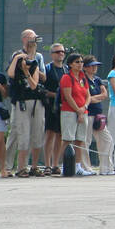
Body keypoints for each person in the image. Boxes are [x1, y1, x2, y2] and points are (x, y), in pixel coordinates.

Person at [6, 30, 47, 177]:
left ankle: (34, 166)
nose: (33, 42)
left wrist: (28, 68)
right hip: (21, 99)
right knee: (20, 134)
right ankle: (17, 167)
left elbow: (39, 81)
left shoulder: (37, 59)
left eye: (35, 40)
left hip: (36, 100)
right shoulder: (17, 55)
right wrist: (18, 59)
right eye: (30, 39)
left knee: (37, 134)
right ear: (24, 39)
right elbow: (10, 74)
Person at [57, 53, 94, 176]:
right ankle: (62, 165)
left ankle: (77, 166)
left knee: (80, 140)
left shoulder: (83, 78)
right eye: (77, 62)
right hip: (69, 111)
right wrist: (78, 110)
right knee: (67, 139)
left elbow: (88, 95)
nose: (80, 64)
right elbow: (68, 96)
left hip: (83, 112)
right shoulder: (67, 77)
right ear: (70, 64)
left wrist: (84, 107)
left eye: (81, 62)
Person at [82, 57, 113, 175]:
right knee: (86, 140)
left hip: (98, 115)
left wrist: (92, 99)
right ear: (85, 67)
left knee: (107, 140)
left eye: (95, 65)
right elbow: (87, 98)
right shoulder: (83, 80)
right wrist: (91, 99)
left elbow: (104, 94)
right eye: (91, 65)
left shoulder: (97, 79)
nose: (94, 67)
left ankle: (106, 168)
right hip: (88, 114)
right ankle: (86, 167)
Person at [41, 42, 67, 174]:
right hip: (51, 106)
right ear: (52, 54)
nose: (61, 53)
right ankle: (47, 164)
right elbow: (42, 89)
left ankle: (56, 164)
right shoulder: (47, 69)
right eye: (57, 52)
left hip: (65, 106)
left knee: (60, 135)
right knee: (50, 134)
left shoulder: (67, 69)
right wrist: (56, 95)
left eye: (62, 51)